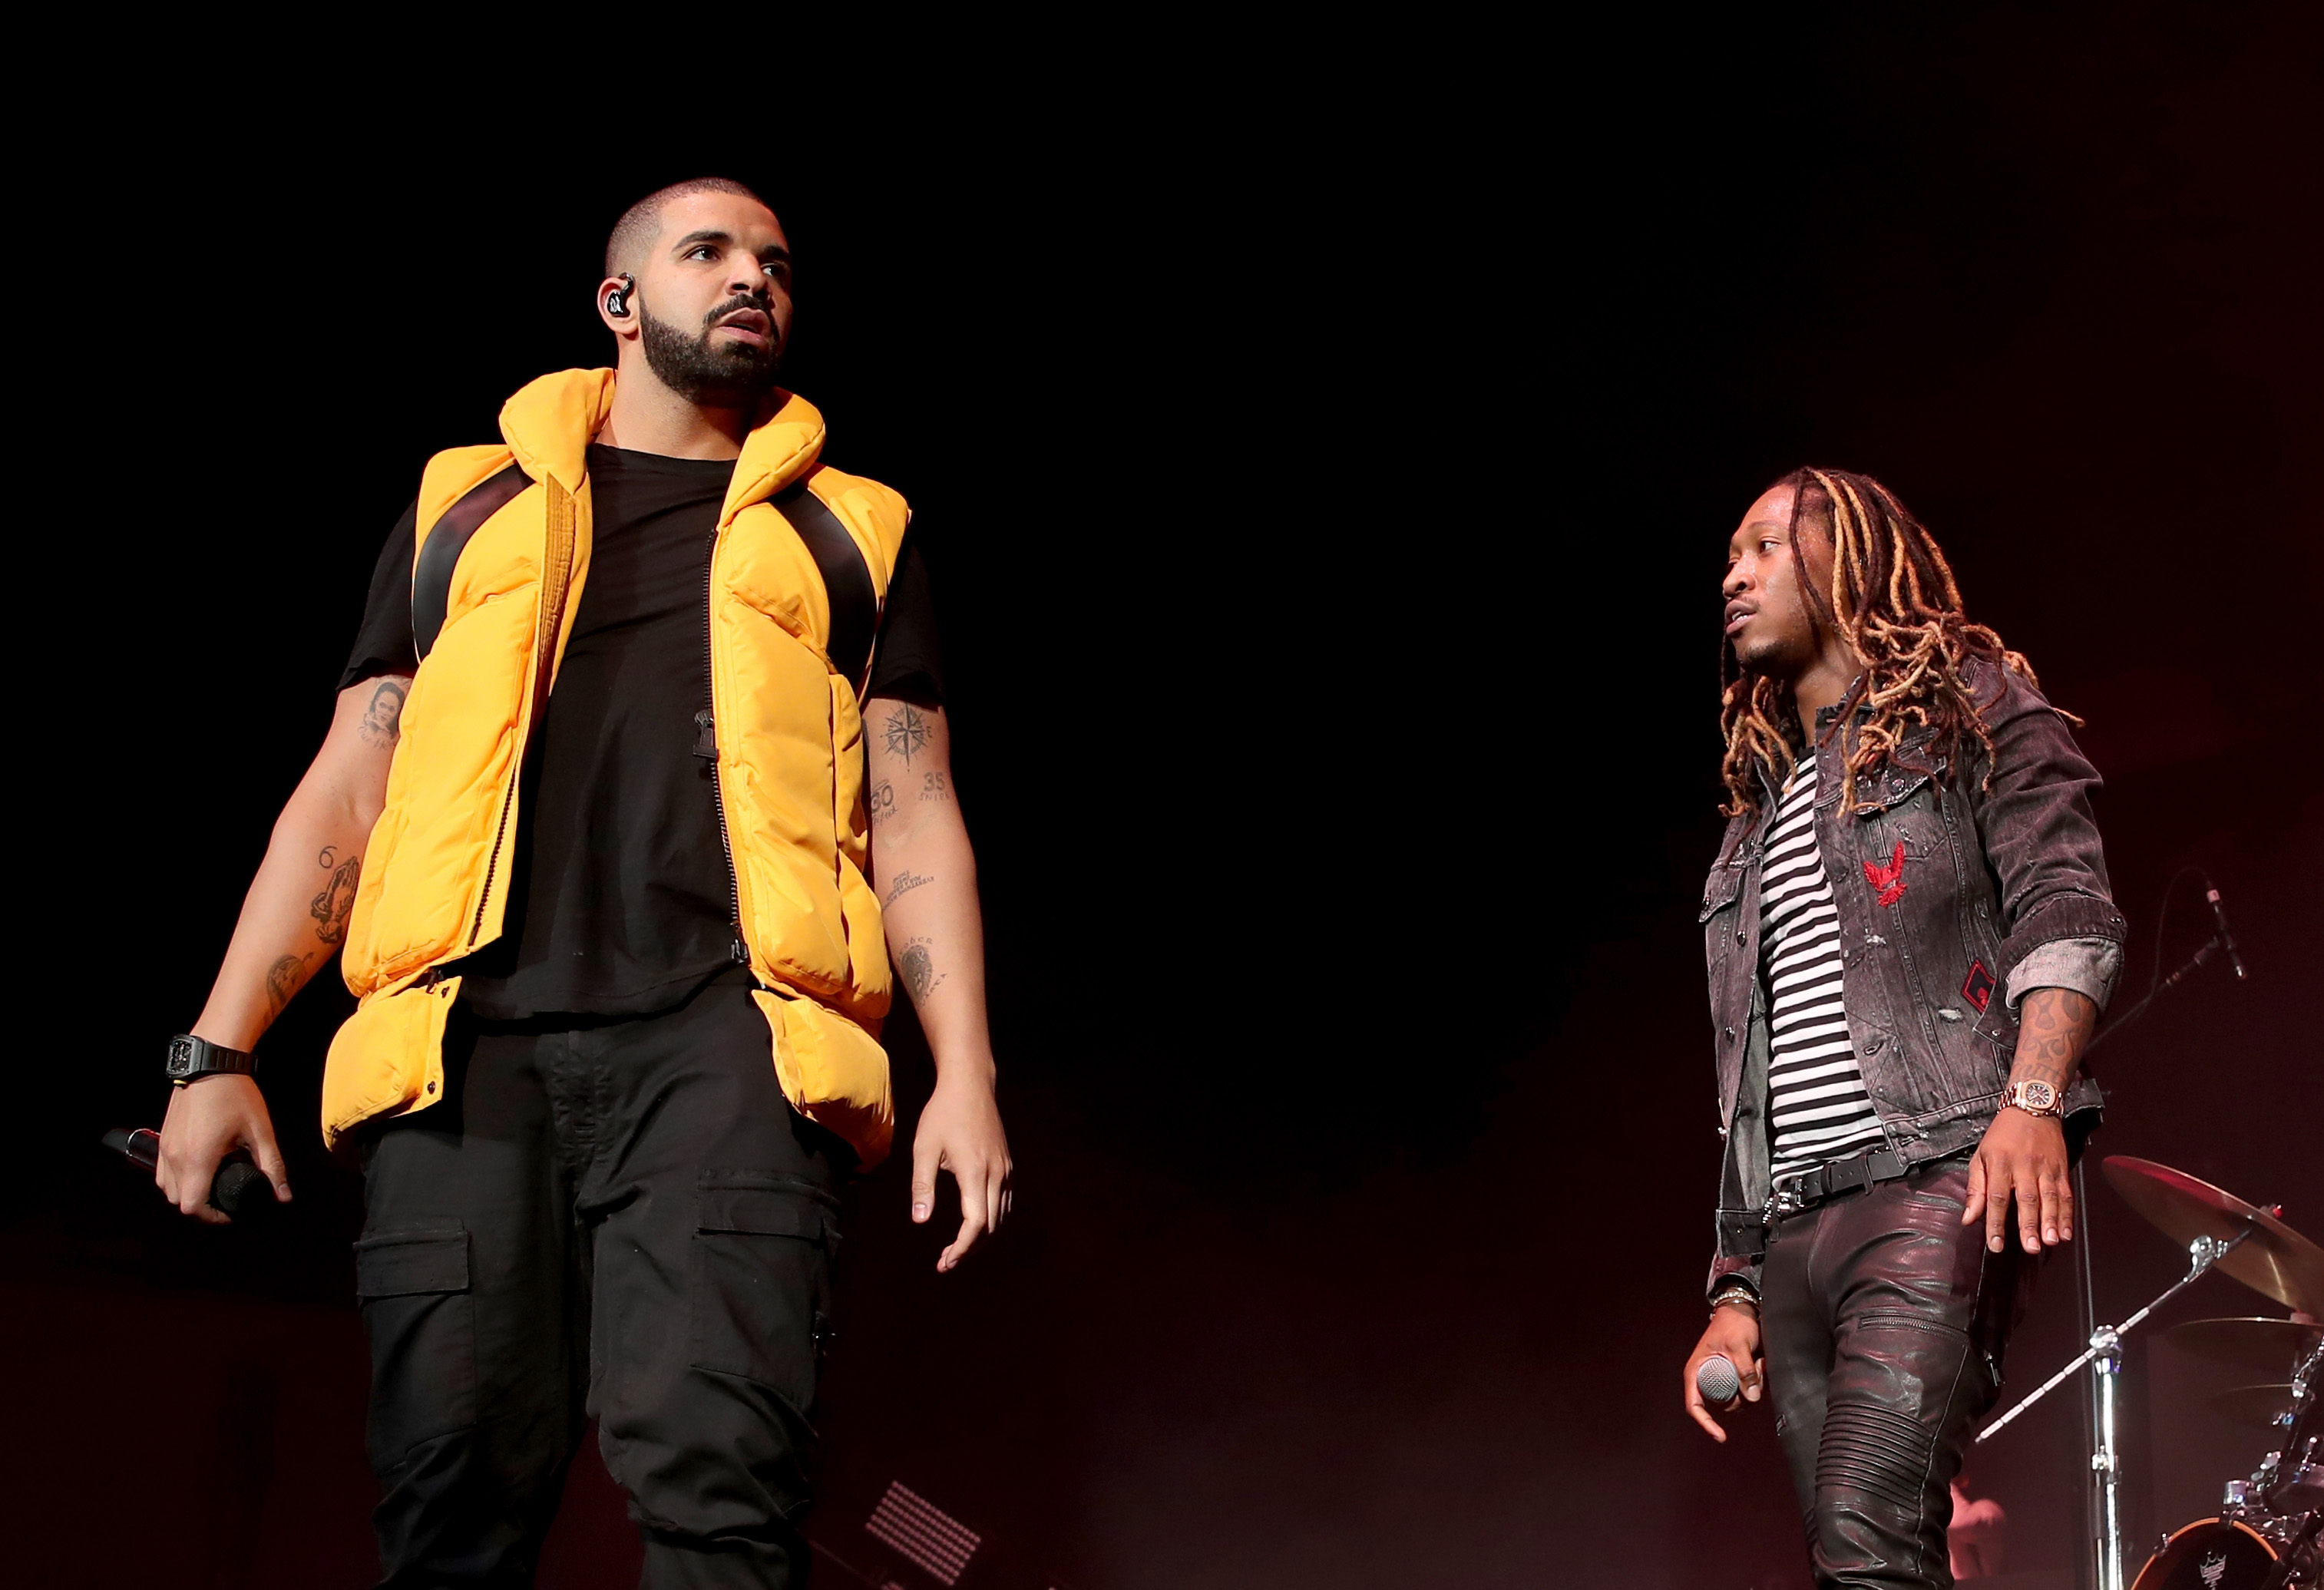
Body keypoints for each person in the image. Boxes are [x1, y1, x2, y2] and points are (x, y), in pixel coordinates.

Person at [153, 176, 1012, 1588]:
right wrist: (217, 1047)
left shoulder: (858, 530)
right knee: (451, 1502)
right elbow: (347, 791)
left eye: (776, 263)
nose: (754, 279)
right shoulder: (463, 504)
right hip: (461, 1057)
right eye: (710, 253)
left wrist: (964, 1072)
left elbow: (915, 811)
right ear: (619, 302)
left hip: (732, 1054)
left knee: (725, 1494)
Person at [1678, 468, 2124, 1587]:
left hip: (1933, 1180)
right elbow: (1748, 1074)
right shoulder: (1756, 819)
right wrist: (1733, 1291)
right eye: (1729, 555)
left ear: (1852, 557)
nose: (1733, 574)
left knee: (1870, 1537)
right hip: (1792, 1232)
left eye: (1766, 546)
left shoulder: (1971, 708)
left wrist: (2029, 1103)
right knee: (1857, 1556)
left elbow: (2069, 904)